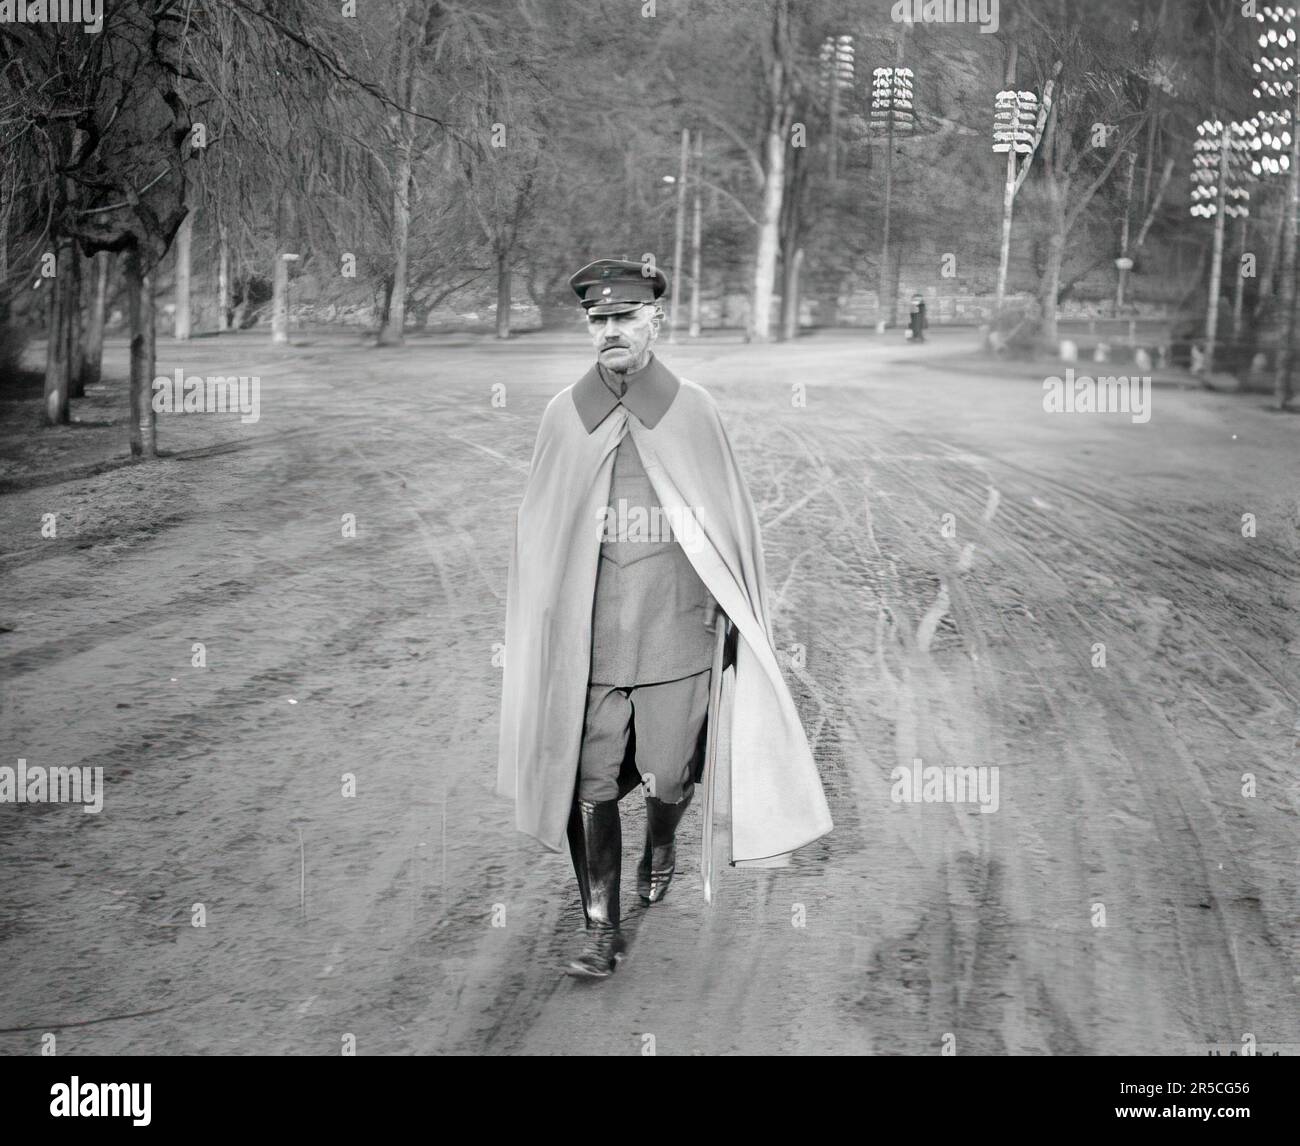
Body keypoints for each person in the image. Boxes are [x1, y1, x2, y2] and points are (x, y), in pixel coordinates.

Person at [498, 258, 832, 979]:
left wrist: (731, 612)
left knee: (671, 774)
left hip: (678, 632)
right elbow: (539, 528)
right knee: (586, 783)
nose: (611, 330)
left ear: (657, 320)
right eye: (599, 320)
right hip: (588, 642)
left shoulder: (694, 410)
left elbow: (730, 526)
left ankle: (662, 841)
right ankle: (600, 930)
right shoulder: (565, 414)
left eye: (625, 317)